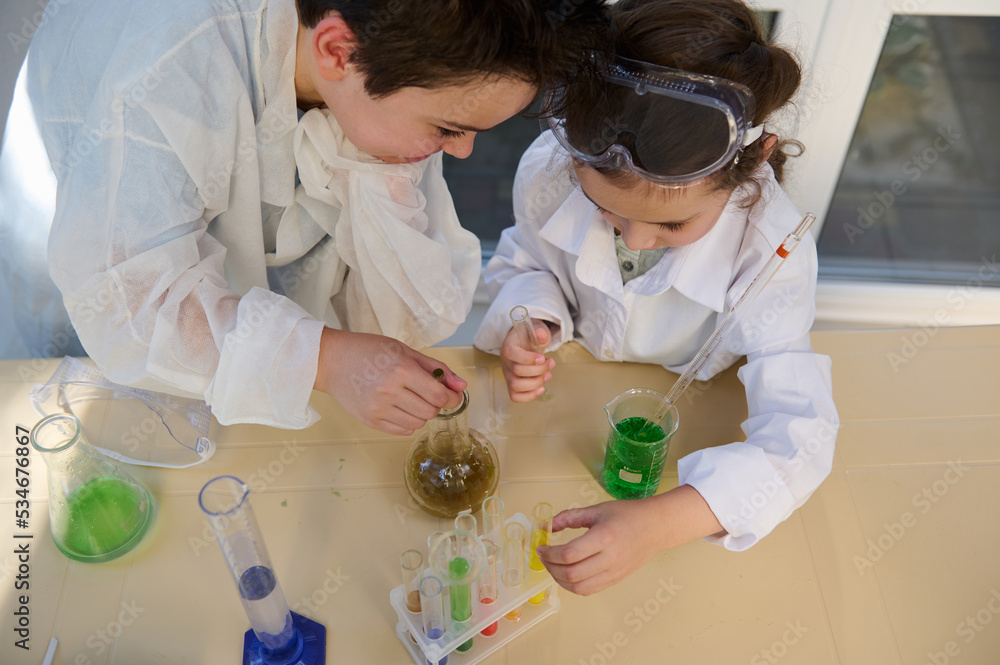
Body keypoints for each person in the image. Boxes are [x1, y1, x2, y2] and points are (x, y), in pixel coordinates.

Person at [0, 0, 609, 433]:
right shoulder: (167, 70)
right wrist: (323, 358)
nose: (463, 151)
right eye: (449, 128)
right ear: (337, 51)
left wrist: (328, 352)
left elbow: (413, 293)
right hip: (95, 220)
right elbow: (129, 303)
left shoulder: (393, 55)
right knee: (106, 430)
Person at [474, 0, 839, 594]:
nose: (638, 238)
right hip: (573, 394)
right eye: (605, 211)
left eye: (672, 227)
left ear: (754, 162)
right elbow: (525, 258)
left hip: (696, 404)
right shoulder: (550, 169)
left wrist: (664, 522)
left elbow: (803, 437)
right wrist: (534, 315)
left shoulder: (772, 249)